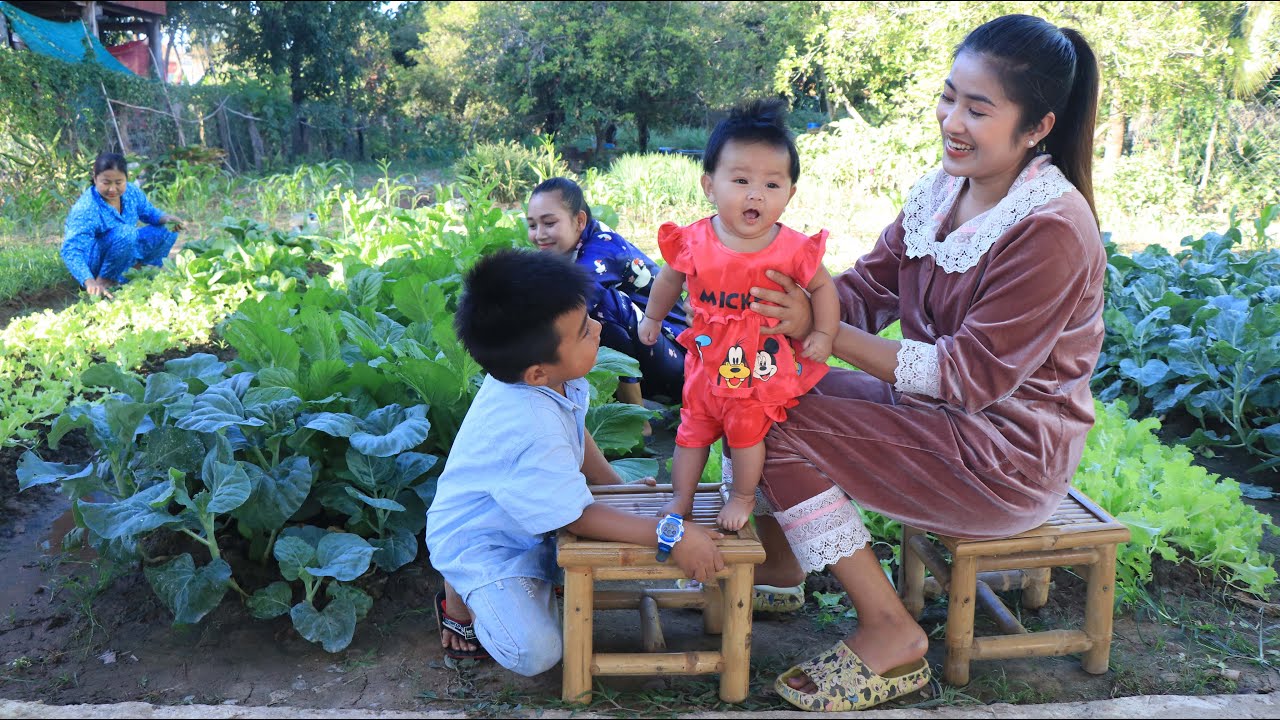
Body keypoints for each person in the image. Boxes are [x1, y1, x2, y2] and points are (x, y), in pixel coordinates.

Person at [733, 15, 1105, 712]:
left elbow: (969, 378)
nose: (952, 120)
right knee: (758, 392)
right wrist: (766, 302)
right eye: (948, 96)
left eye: (978, 108)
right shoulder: (943, 190)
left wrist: (820, 333)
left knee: (776, 425)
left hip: (1004, 458)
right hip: (937, 423)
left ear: (1037, 127)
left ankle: (891, 632)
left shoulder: (1051, 229)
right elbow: (869, 291)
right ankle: (781, 570)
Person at [423, 248, 725, 674]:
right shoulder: (528, 423)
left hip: (535, 520)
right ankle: (460, 594)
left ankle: (539, 582)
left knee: (575, 554)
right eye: (584, 330)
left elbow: (574, 434)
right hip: (486, 544)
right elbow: (577, 520)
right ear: (536, 373)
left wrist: (616, 488)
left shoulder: (548, 378)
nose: (599, 328)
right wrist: (670, 535)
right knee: (536, 653)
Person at [639, 98, 841, 534]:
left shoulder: (790, 248)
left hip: (758, 369)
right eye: (741, 180)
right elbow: (669, 279)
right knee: (689, 433)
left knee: (747, 436)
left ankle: (743, 496)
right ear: (709, 185)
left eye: (772, 185)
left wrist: (823, 331)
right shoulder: (693, 240)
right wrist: (654, 317)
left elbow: (824, 287)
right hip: (706, 365)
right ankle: (681, 497)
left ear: (789, 193)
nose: (755, 194)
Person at [526, 177, 689, 425]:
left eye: (549, 223)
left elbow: (571, 305)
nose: (539, 234)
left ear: (580, 220)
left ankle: (636, 423)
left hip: (680, 360)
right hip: (650, 358)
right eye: (532, 225)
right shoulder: (563, 251)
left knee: (597, 308)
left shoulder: (602, 247)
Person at [61, 152, 184, 299]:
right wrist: (89, 281)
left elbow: (149, 213)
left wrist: (167, 218)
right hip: (96, 261)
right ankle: (105, 282)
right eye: (106, 183)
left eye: (119, 182)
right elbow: (71, 249)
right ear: (95, 179)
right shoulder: (86, 208)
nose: (113, 189)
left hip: (126, 248)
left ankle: (136, 273)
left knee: (168, 229)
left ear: (126, 179)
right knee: (126, 233)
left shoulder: (131, 192)